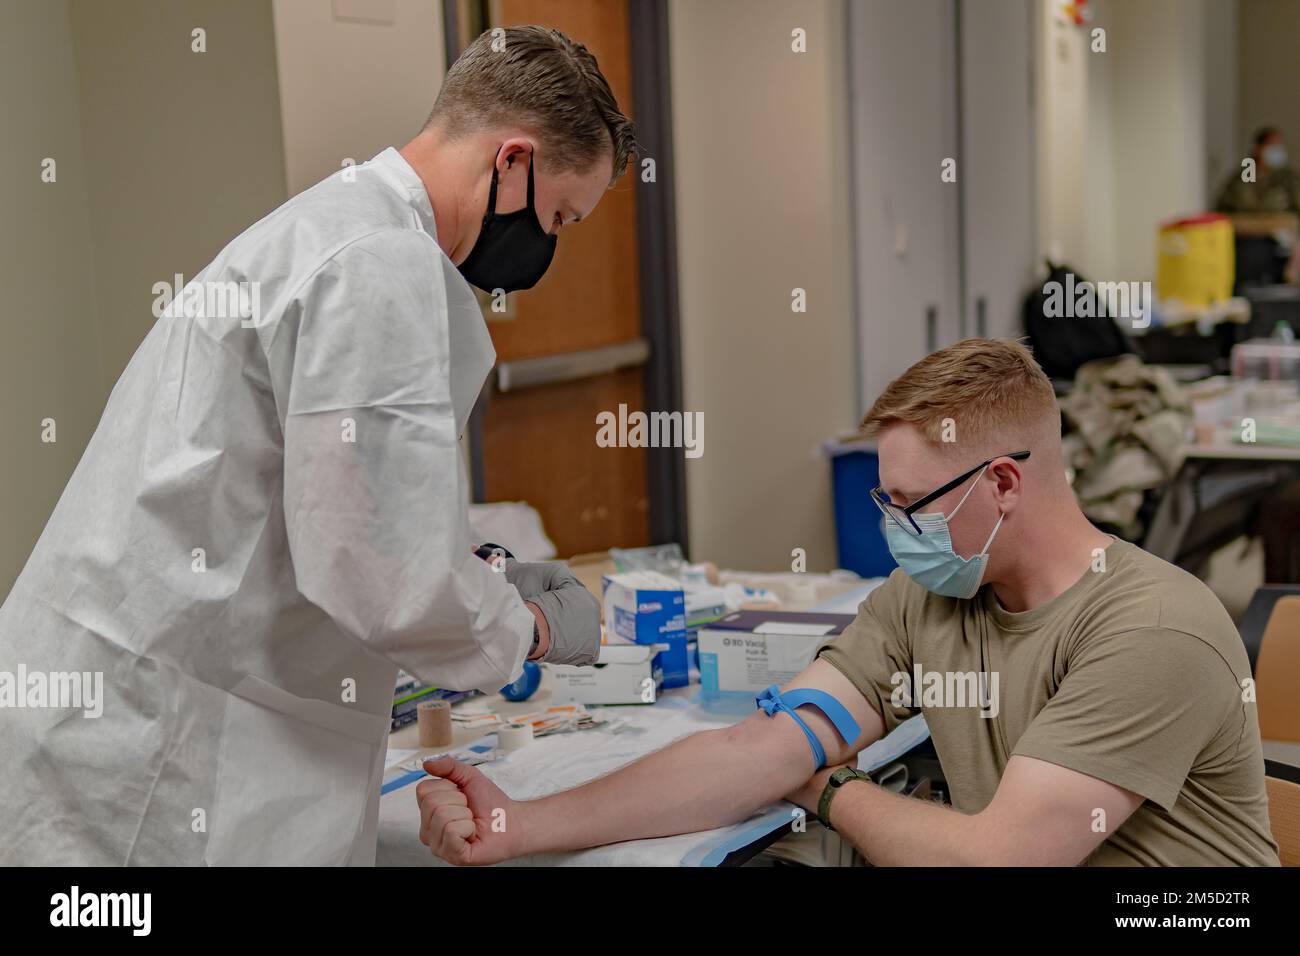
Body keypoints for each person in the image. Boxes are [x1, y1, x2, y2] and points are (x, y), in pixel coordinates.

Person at [0, 25, 636, 865]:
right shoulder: (380, 265)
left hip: (122, 694)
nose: (546, 245)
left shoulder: (336, 229)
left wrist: (481, 573)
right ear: (511, 160)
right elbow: (385, 584)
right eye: (557, 215)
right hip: (150, 743)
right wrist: (530, 629)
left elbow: (327, 506)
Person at [418, 339, 1280, 867]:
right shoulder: (927, 598)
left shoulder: (1150, 628)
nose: (893, 530)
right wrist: (518, 824)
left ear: (1005, 482)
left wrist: (829, 790)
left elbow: (1002, 859)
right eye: (883, 504)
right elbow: (763, 748)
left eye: (909, 505)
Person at [1216, 125, 1300, 214]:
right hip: (1244, 226)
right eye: (1271, 145)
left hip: (1279, 226)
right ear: (1257, 149)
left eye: (1279, 146)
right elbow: (1221, 209)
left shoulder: (1289, 178)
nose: (1276, 150)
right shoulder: (1240, 178)